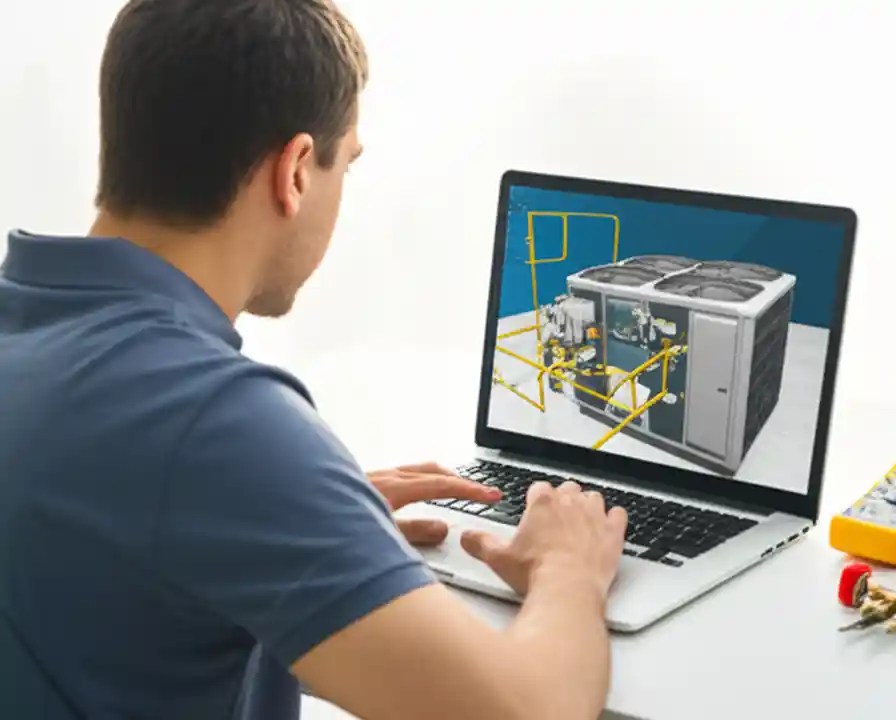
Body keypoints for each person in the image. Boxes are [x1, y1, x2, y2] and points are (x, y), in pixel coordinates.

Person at [0, 1, 627, 718]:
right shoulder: (212, 421)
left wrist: (297, 525)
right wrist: (569, 570)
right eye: (346, 165)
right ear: (296, 170)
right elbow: (527, 711)